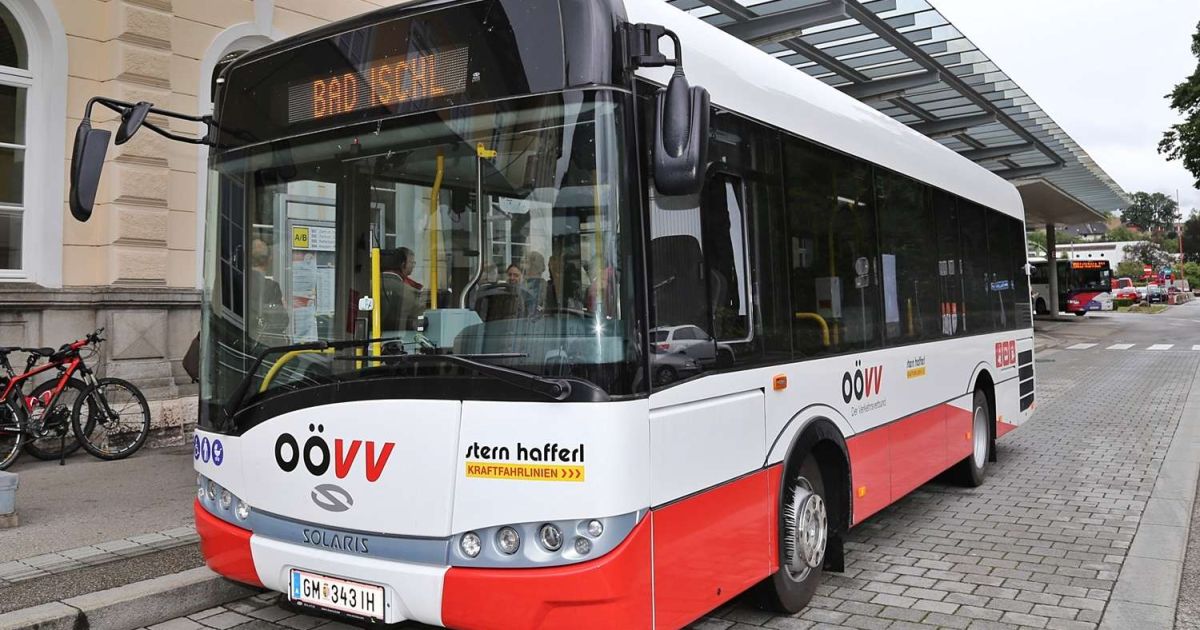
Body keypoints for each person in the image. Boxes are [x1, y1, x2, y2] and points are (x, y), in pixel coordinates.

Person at [247, 238, 287, 340]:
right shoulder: (271, 287)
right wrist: (283, 309)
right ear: (270, 260)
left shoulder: (238, 282)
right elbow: (280, 322)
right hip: (261, 344)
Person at [381, 247, 426, 331]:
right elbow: (419, 322)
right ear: (403, 264)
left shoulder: (366, 287)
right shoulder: (411, 292)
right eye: (412, 262)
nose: (413, 266)